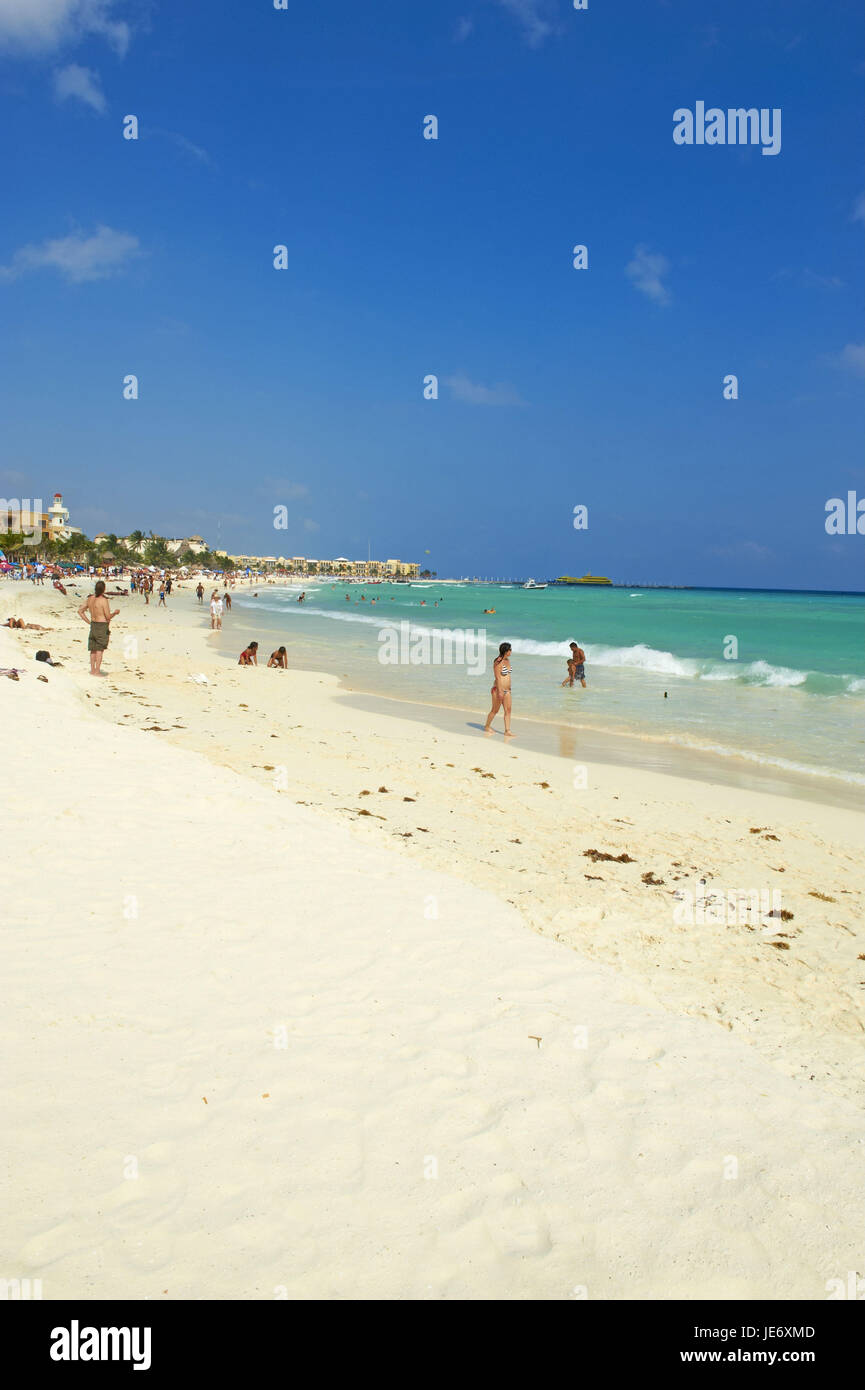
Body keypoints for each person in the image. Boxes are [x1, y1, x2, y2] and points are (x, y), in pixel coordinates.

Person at [77, 580, 119, 676]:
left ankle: (92, 670)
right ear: (103, 589)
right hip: (101, 625)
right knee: (99, 649)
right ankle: (97, 671)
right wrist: (115, 613)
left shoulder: (90, 598)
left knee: (93, 649)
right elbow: (108, 617)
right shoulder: (103, 600)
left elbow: (80, 611)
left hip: (93, 624)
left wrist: (88, 622)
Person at [484, 642, 513, 737]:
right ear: (506, 651)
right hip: (498, 689)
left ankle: (507, 731)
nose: (511, 651)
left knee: (508, 710)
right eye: (510, 650)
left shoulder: (507, 660)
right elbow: (498, 677)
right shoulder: (498, 661)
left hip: (507, 690)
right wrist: (500, 691)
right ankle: (487, 726)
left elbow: (507, 675)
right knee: (495, 710)